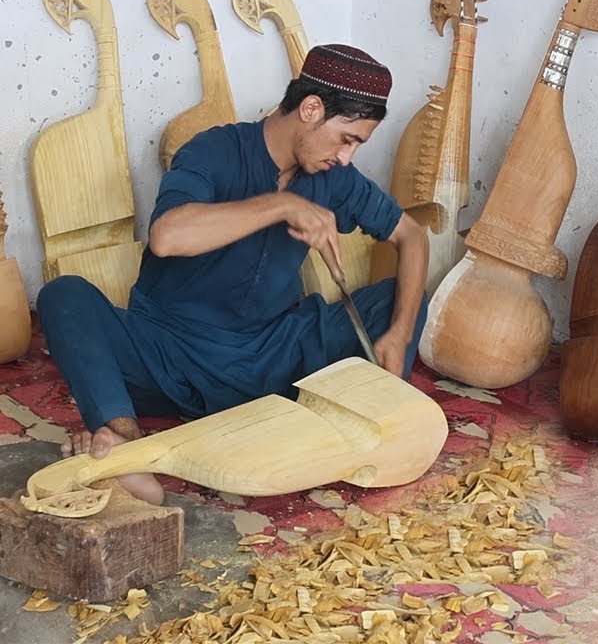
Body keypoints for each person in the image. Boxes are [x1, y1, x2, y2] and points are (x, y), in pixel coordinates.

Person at [36, 44, 429, 505]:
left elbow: (413, 238)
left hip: (272, 357)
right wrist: (281, 205)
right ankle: (127, 442)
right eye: (347, 138)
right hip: (170, 354)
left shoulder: (335, 178)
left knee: (400, 302)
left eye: (358, 145)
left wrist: (399, 335)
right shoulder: (214, 150)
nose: (346, 157)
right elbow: (167, 236)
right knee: (63, 296)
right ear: (311, 108)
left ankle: (343, 419)